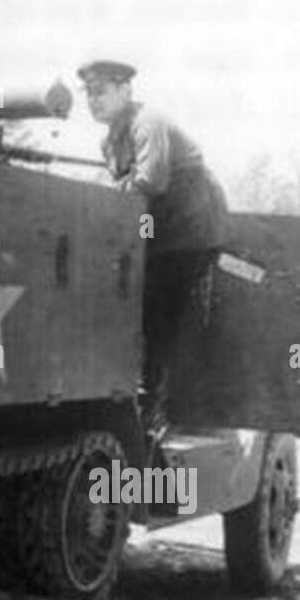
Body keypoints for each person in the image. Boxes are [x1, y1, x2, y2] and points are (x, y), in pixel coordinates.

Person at [79, 59, 230, 430]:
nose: (93, 101)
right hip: (157, 230)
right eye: (89, 94)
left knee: (157, 310)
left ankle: (153, 408)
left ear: (125, 90)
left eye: (101, 92)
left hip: (191, 228)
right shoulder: (111, 139)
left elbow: (149, 182)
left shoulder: (149, 122)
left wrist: (98, 197)